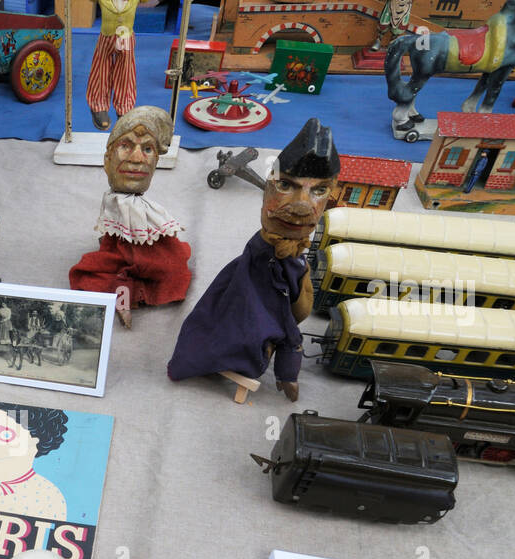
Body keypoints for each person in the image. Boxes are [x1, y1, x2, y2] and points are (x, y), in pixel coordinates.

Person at [167, 117, 339, 401]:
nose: (302, 204)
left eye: (318, 190)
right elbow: (275, 315)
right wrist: (289, 363)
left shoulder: (292, 257)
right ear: (268, 189)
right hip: (245, 323)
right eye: (286, 185)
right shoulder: (265, 260)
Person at [69, 106, 192, 328]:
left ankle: (128, 286)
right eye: (125, 146)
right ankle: (125, 290)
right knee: (118, 266)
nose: (136, 158)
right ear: (107, 160)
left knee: (167, 266)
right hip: (127, 249)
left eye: (147, 149)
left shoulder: (138, 208)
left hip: (142, 248)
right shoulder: (120, 203)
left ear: (156, 162)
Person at [86, 0, 138, 130]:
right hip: (106, 37)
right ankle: (99, 106)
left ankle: (124, 107)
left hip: (126, 37)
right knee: (100, 69)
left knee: (126, 71)